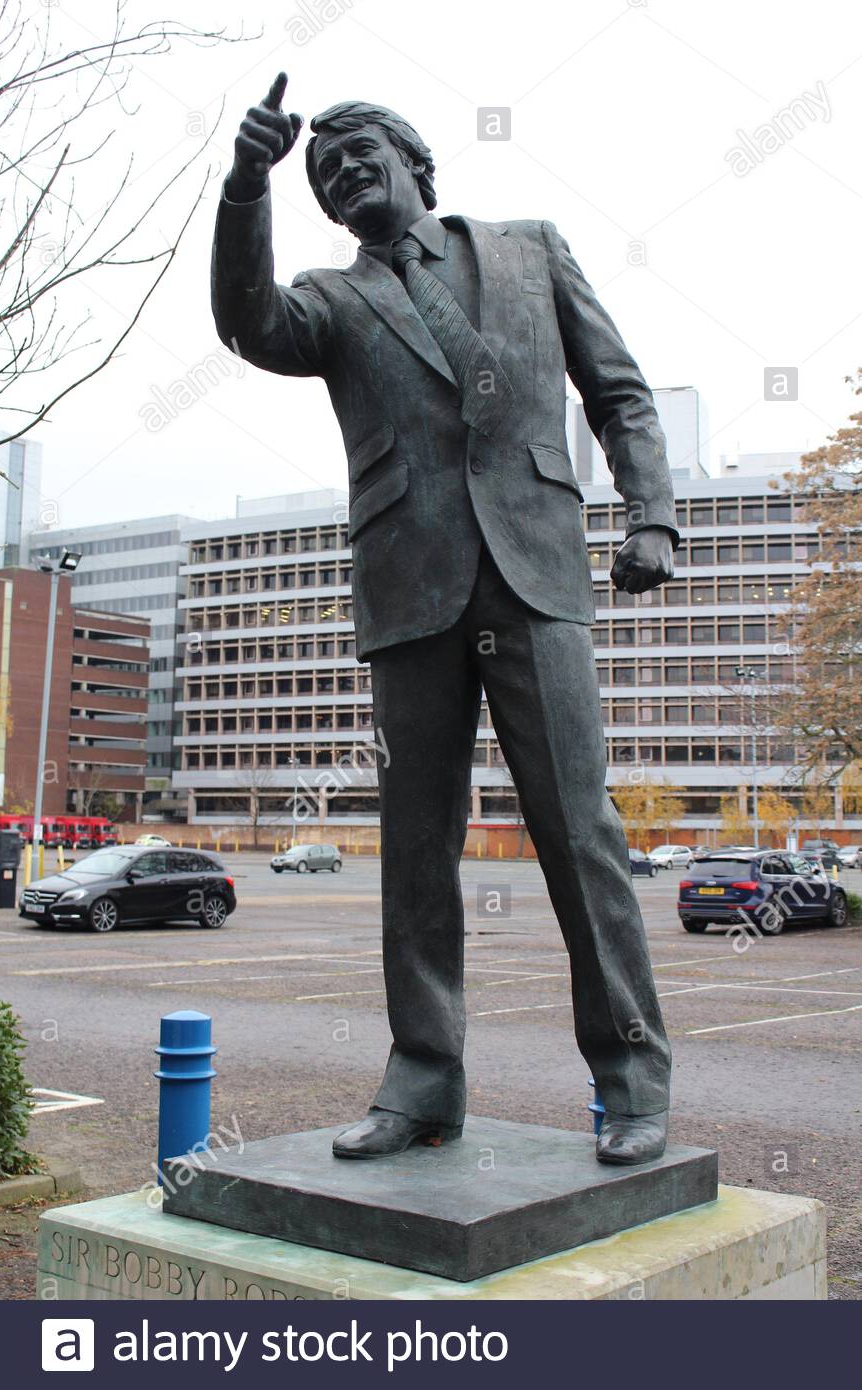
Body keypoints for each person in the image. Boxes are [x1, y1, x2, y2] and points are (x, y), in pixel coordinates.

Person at [213, 73, 677, 1165]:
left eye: (358, 151)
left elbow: (619, 391)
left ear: (418, 162)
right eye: (323, 171)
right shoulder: (332, 299)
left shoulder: (528, 249)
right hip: (409, 594)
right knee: (414, 854)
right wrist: (247, 185)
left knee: (579, 832)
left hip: (535, 578)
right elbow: (246, 321)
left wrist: (650, 514)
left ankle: (631, 1077)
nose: (339, 171)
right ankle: (422, 1082)